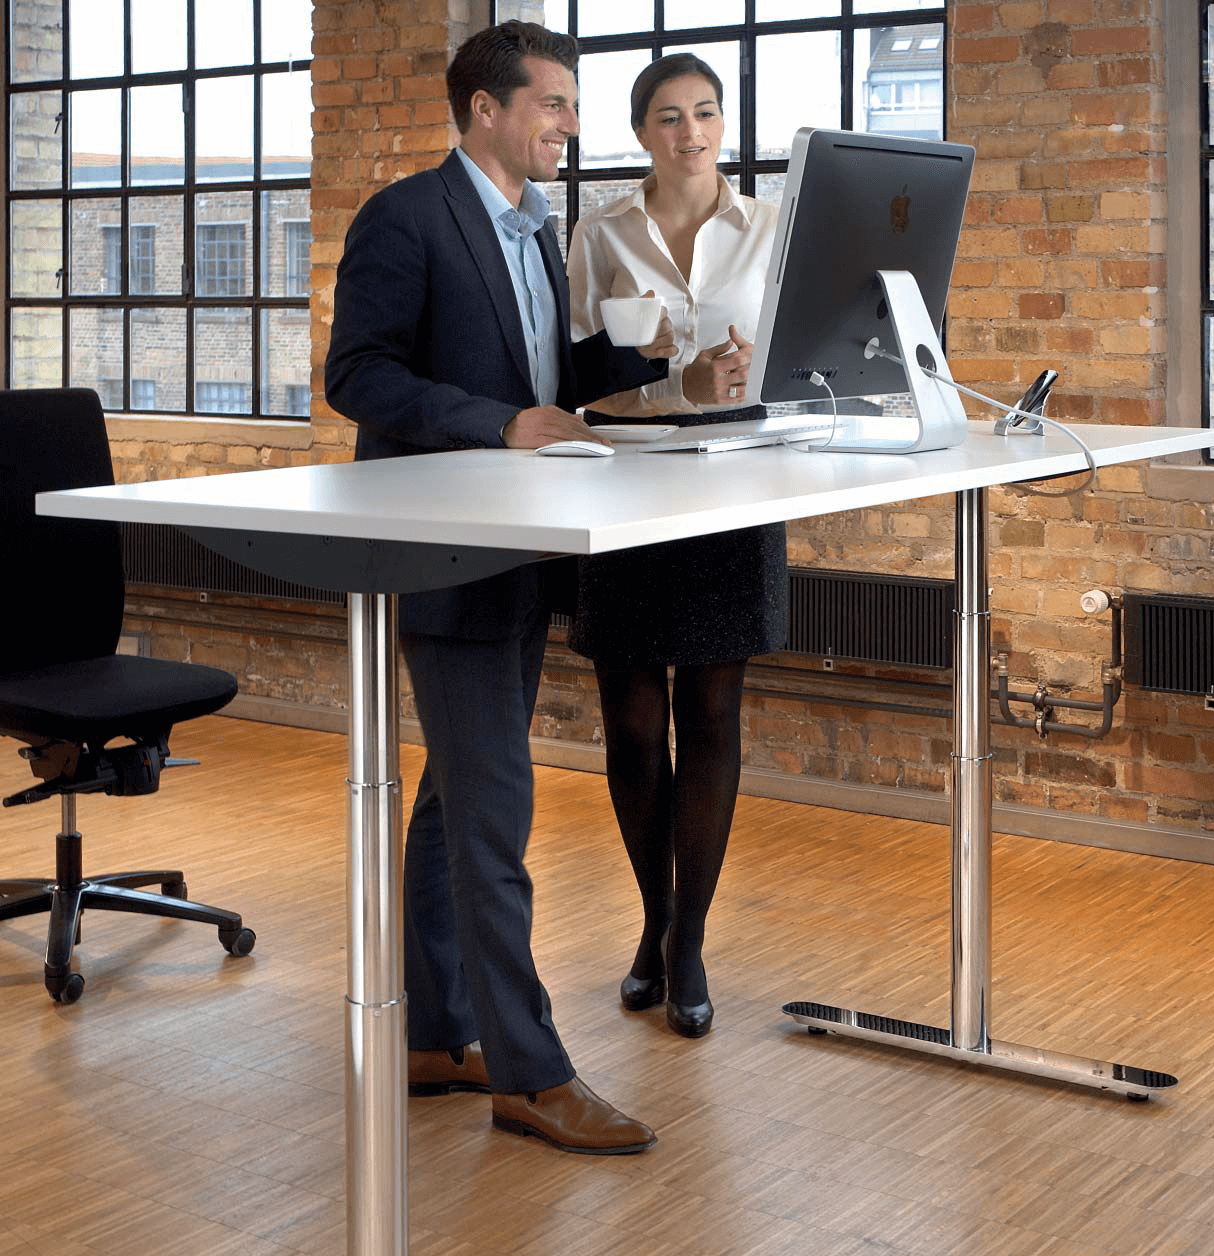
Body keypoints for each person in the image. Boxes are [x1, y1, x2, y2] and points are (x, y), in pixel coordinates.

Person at [324, 21, 674, 1155]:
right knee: (493, 816)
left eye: (571, 105)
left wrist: (646, 363)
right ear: (486, 108)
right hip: (442, 553)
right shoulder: (406, 217)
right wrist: (499, 424)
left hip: (520, 551)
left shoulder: (536, 230)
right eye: (553, 103)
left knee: (457, 799)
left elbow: (543, 376)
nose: (571, 123)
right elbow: (357, 375)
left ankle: (435, 1034)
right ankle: (529, 1072)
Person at [565, 54, 784, 1040]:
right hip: (624, 483)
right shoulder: (600, 232)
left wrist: (754, 371)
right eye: (668, 116)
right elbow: (576, 375)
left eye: (704, 113)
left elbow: (801, 358)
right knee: (627, 720)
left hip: (735, 482)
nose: (689, 132)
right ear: (640, 132)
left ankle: (687, 940)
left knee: (709, 712)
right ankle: (652, 918)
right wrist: (664, 379)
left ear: (722, 124)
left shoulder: (771, 228)